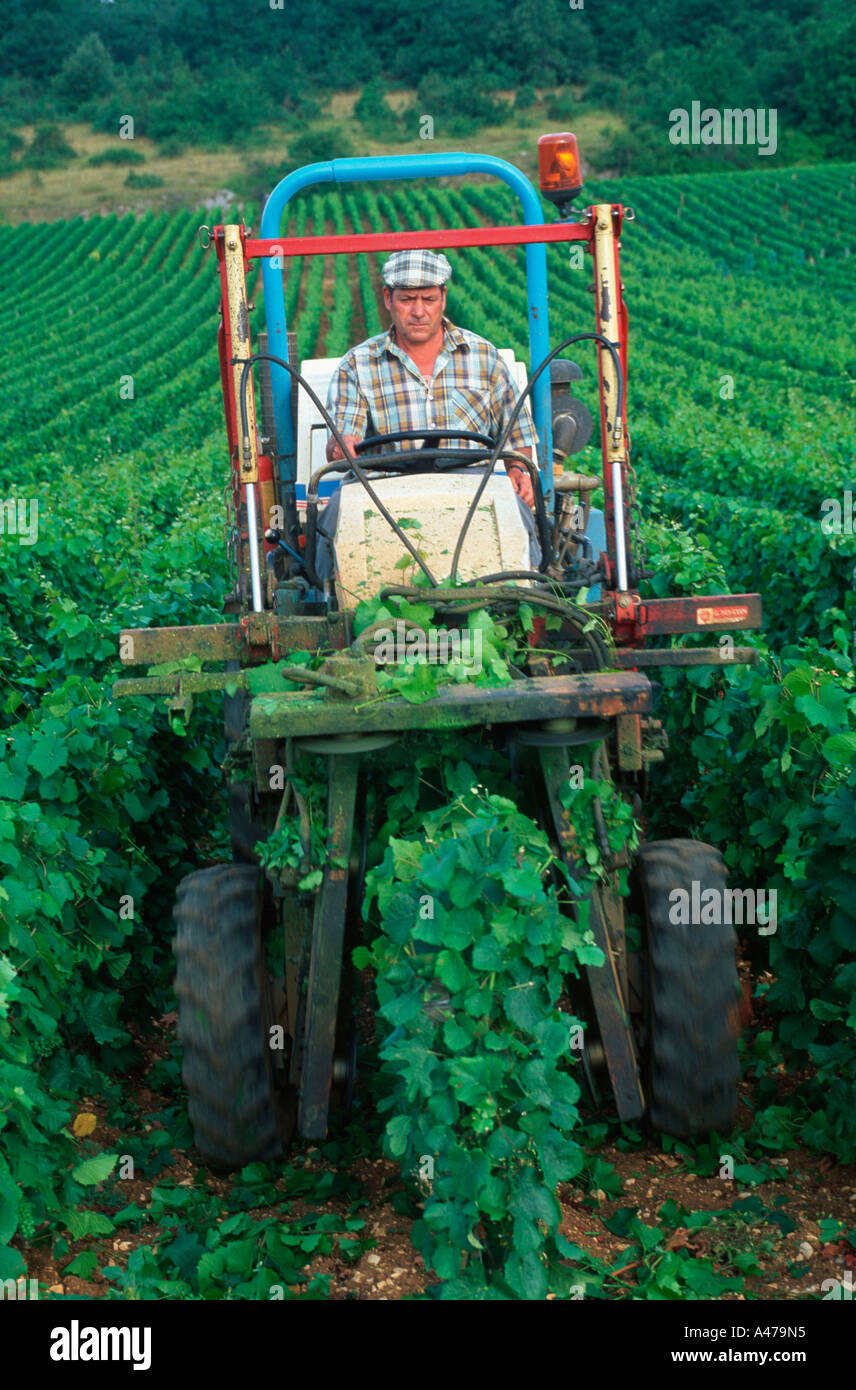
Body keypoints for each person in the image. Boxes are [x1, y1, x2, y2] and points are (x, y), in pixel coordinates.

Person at [314, 248, 541, 579]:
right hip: (385, 493)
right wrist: (342, 445)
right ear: (388, 298)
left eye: (428, 299)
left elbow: (516, 437)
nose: (419, 311)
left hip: (474, 489)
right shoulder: (358, 364)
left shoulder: (484, 357)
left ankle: (527, 591)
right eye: (407, 300)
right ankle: (330, 603)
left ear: (443, 298)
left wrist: (520, 469)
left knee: (520, 520)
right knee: (334, 518)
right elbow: (345, 438)